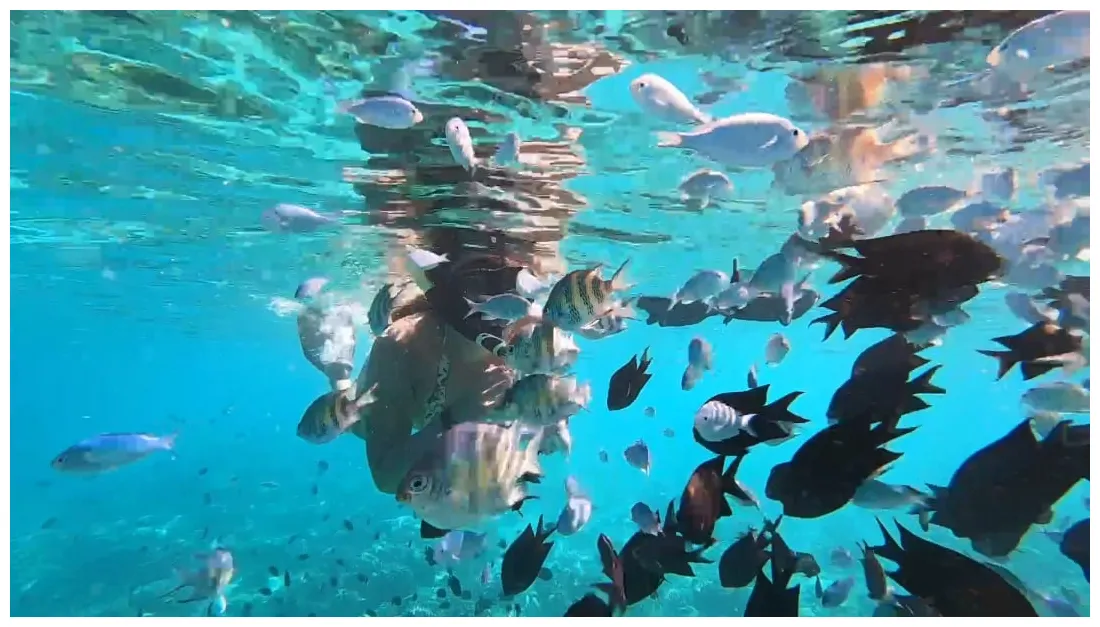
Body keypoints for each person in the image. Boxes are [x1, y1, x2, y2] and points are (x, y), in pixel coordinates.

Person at [298, 12, 625, 495]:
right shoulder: (402, 349)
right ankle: (338, 373)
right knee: (346, 400)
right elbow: (388, 475)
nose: (506, 311)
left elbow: (539, 396)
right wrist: (454, 425)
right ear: (453, 291)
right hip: (385, 404)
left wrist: (549, 414)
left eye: (511, 293)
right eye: (487, 290)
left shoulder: (526, 340)